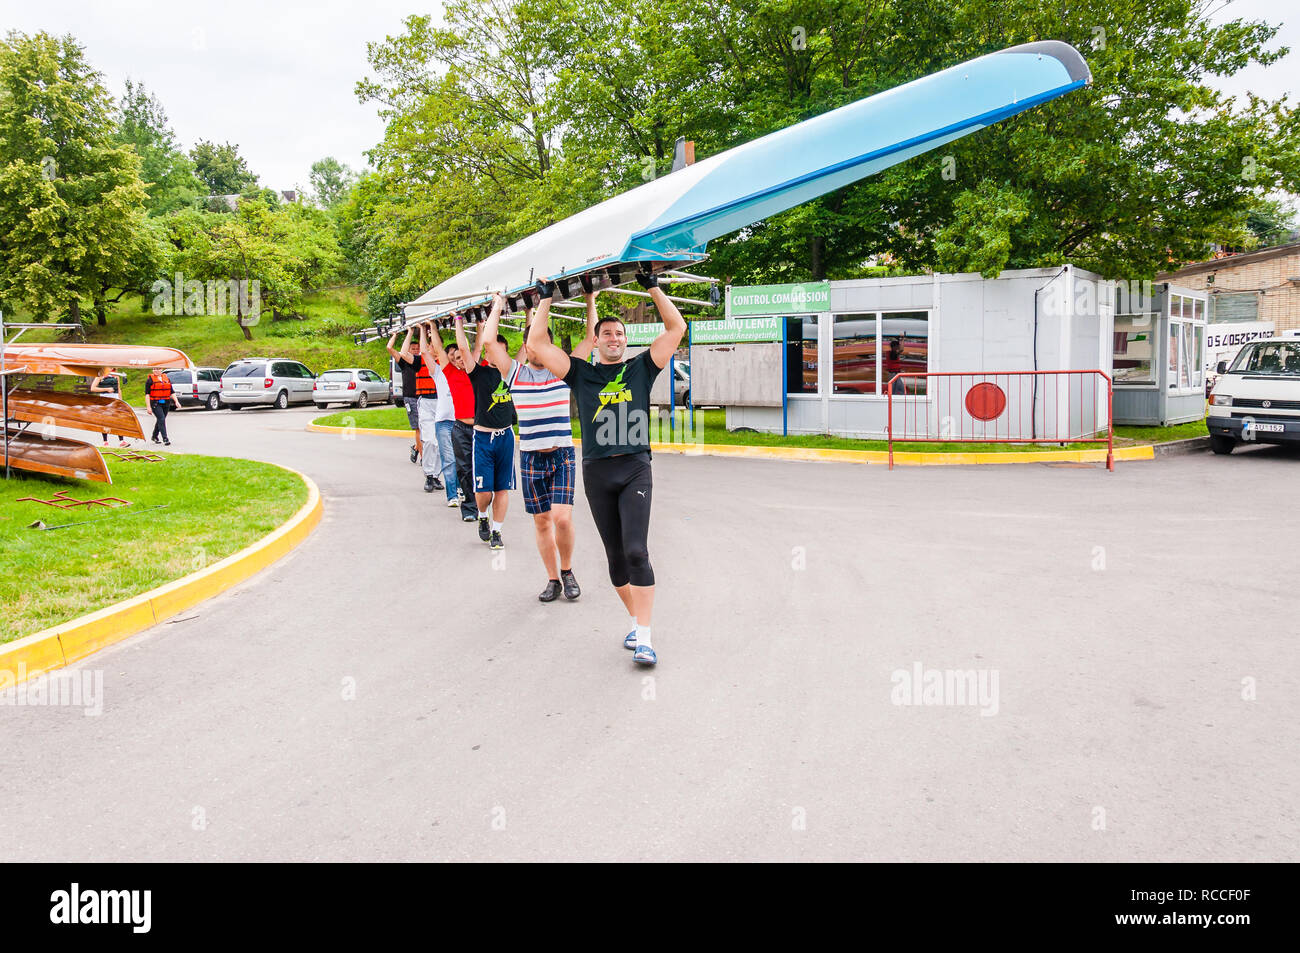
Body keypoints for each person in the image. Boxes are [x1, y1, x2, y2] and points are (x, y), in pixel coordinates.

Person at [527, 271, 686, 666]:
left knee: (636, 551)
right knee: (615, 558)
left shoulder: (641, 368)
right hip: (597, 472)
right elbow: (536, 343)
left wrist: (651, 285)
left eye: (619, 334)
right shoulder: (581, 373)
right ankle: (635, 621)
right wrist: (545, 298)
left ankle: (646, 639)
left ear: (625, 341)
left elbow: (676, 327)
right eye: (607, 334)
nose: (614, 339)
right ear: (595, 341)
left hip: (634, 468)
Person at [481, 293, 596, 601]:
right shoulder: (514, 374)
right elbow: (490, 343)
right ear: (526, 346)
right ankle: (552, 578)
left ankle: (568, 569)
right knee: (542, 522)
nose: (534, 347)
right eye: (530, 342)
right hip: (532, 457)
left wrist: (590, 299)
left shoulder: (565, 371)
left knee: (561, 518)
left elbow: (590, 337)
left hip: (562, 454)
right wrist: (497, 305)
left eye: (541, 339)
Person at [453, 313, 516, 550]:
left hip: (505, 437)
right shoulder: (477, 372)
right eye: (492, 349)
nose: (497, 354)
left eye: (501, 351)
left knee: (502, 488)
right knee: (484, 491)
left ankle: (497, 531)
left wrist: (531, 311)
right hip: (482, 437)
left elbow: (529, 344)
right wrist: (459, 320)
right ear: (488, 352)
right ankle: (482, 515)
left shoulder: (512, 371)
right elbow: (463, 347)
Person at [420, 324, 479, 523]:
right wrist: (432, 328)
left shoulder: (474, 370)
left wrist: (478, 326)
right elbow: (434, 349)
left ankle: (477, 500)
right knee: (456, 464)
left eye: (460, 356)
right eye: (454, 358)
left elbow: (477, 347)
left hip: (477, 426)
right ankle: (461, 501)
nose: (458, 360)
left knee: (475, 465)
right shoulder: (447, 373)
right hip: (453, 424)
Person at [416, 322, 463, 508]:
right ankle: (452, 495)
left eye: (456, 355)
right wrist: (424, 330)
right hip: (444, 422)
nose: (453, 357)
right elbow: (426, 352)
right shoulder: (439, 372)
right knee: (449, 459)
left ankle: (461, 490)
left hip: (462, 421)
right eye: (449, 354)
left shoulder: (467, 372)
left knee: (463, 460)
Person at [387, 328, 425, 466]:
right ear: (408, 349)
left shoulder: (421, 361)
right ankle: (423, 456)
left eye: (417, 348)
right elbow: (389, 347)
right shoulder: (403, 362)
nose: (415, 350)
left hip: (424, 398)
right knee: (418, 428)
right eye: (413, 348)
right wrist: (397, 334)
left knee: (425, 428)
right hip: (410, 398)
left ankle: (416, 448)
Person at [90, 368, 129, 447]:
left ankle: (121, 441)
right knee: (105, 421)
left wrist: (121, 401)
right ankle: (105, 442)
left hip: (115, 399)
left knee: (118, 420)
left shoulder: (116, 375)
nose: (111, 368)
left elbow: (118, 389)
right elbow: (93, 388)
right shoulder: (100, 375)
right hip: (105, 400)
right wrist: (106, 389)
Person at [144, 369, 181, 445]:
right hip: (155, 403)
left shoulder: (166, 379)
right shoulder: (150, 380)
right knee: (161, 418)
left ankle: (154, 436)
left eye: (158, 369)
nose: (156, 370)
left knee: (160, 420)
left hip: (166, 402)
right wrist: (148, 407)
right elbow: (147, 394)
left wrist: (176, 401)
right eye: (154, 369)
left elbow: (172, 392)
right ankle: (165, 438)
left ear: (161, 370)